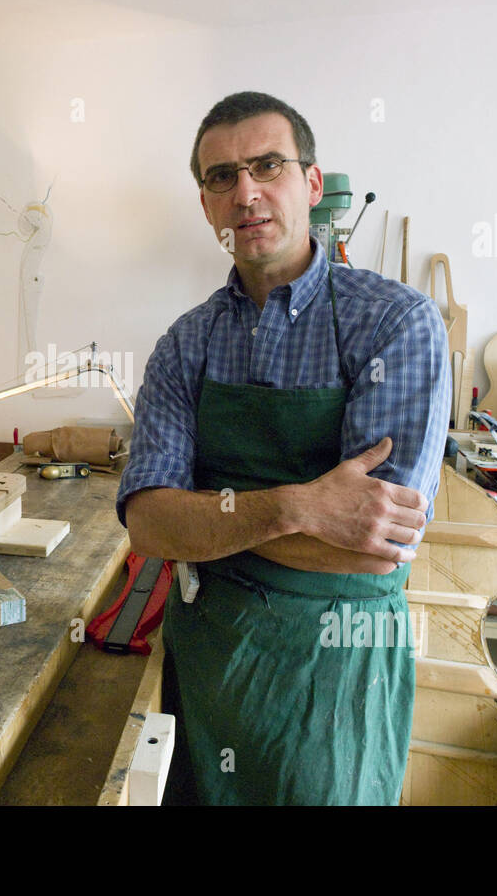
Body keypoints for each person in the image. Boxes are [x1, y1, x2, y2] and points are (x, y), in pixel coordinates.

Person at [117, 91, 451, 805]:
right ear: (207, 205)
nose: (246, 191)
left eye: (267, 165)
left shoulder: (396, 324)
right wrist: (303, 506)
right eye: (221, 177)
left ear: (311, 184)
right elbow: (147, 521)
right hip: (208, 666)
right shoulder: (184, 344)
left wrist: (208, 524)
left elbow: (373, 545)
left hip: (334, 675)